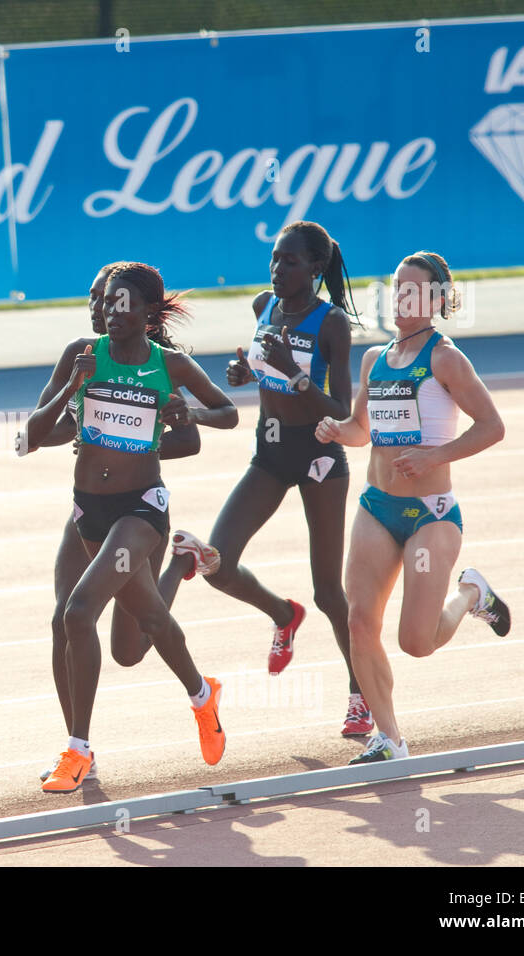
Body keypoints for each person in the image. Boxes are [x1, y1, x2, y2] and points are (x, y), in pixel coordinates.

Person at [25, 262, 238, 793]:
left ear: (146, 312)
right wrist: (73, 392)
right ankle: (202, 694)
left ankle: (78, 751)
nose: (104, 311)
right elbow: (32, 435)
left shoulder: (170, 365)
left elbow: (227, 413)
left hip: (140, 511)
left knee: (78, 612)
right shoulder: (83, 354)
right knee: (120, 642)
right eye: (98, 301)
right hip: (86, 512)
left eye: (117, 303)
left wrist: (187, 416)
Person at [316, 250, 509, 763]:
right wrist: (339, 431)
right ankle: (391, 739)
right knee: (360, 621)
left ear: (436, 300)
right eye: (396, 287)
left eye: (413, 290)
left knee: (417, 642)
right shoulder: (374, 359)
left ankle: (472, 593)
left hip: (431, 514)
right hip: (377, 508)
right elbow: (363, 431)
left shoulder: (446, 359)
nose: (400, 297)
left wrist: (435, 457)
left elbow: (492, 426)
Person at [199, 220, 370, 737]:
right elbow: (263, 371)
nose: (277, 269)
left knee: (328, 592)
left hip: (318, 459)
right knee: (217, 562)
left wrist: (291, 373)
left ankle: (361, 693)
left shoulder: (331, 323)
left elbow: (341, 410)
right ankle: (281, 613)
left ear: (315, 268)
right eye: (274, 258)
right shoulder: (263, 306)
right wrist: (247, 374)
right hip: (270, 453)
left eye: (290, 261)